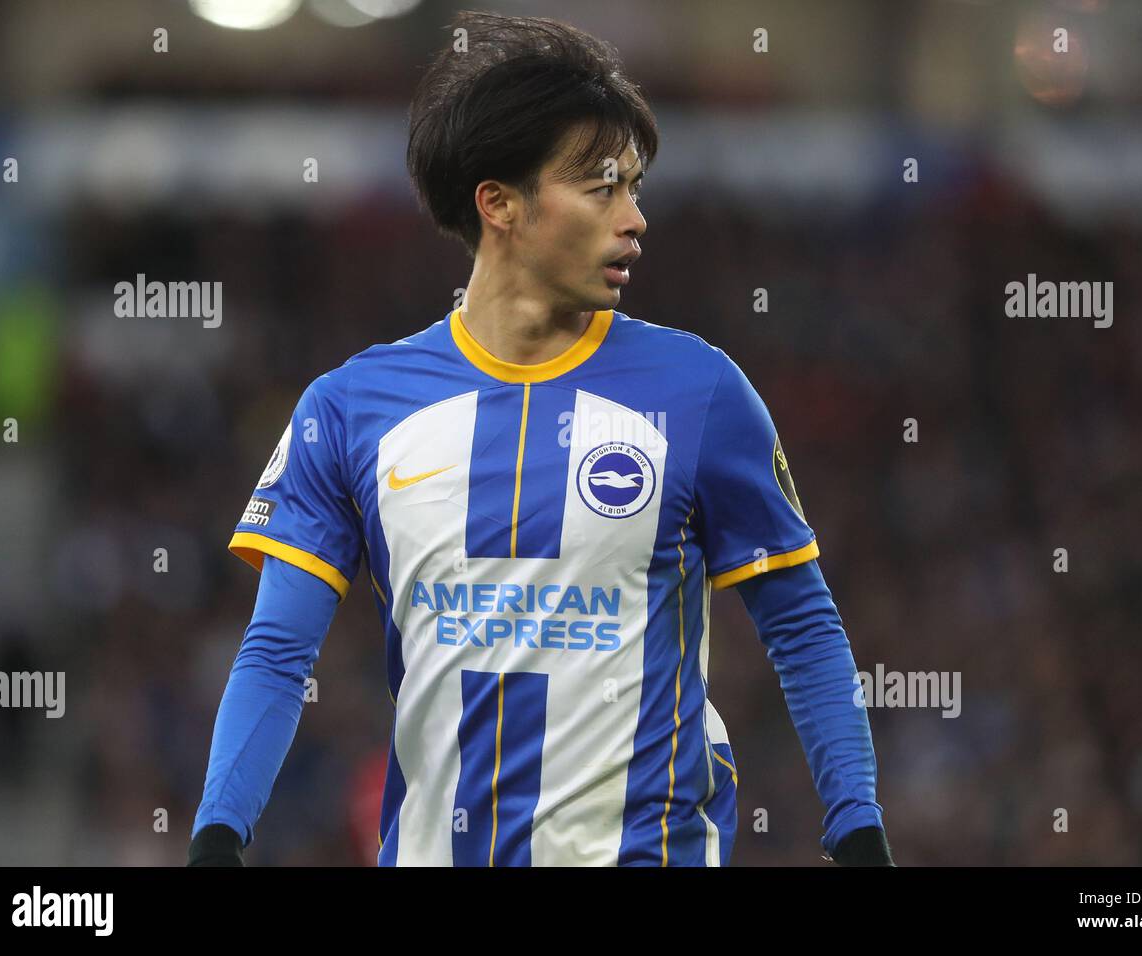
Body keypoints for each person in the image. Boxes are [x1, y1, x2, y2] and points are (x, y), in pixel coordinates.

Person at [189, 11, 892, 867]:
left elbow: (803, 628)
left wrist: (857, 827)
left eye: (636, 189)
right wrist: (217, 836)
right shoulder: (349, 410)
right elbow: (277, 653)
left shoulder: (702, 393)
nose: (635, 219)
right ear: (500, 205)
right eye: (603, 189)